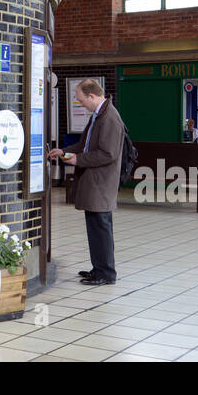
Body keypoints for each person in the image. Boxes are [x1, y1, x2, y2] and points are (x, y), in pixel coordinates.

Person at [46, 79, 124, 286]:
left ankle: (106, 273)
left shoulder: (110, 118)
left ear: (92, 96)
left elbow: (109, 154)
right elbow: (85, 144)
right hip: (94, 181)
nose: (81, 105)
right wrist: (64, 151)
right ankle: (98, 268)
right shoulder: (99, 115)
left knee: (101, 226)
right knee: (94, 226)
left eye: (81, 101)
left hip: (101, 183)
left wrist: (78, 160)